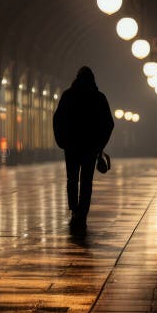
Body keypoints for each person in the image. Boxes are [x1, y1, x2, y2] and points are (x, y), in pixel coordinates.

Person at [52, 66, 114, 232]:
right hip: (90, 148)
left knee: (72, 179)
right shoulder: (99, 98)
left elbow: (57, 119)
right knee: (86, 181)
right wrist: (100, 145)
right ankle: (83, 214)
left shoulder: (68, 95)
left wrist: (62, 141)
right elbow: (109, 124)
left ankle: (74, 210)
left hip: (71, 147)